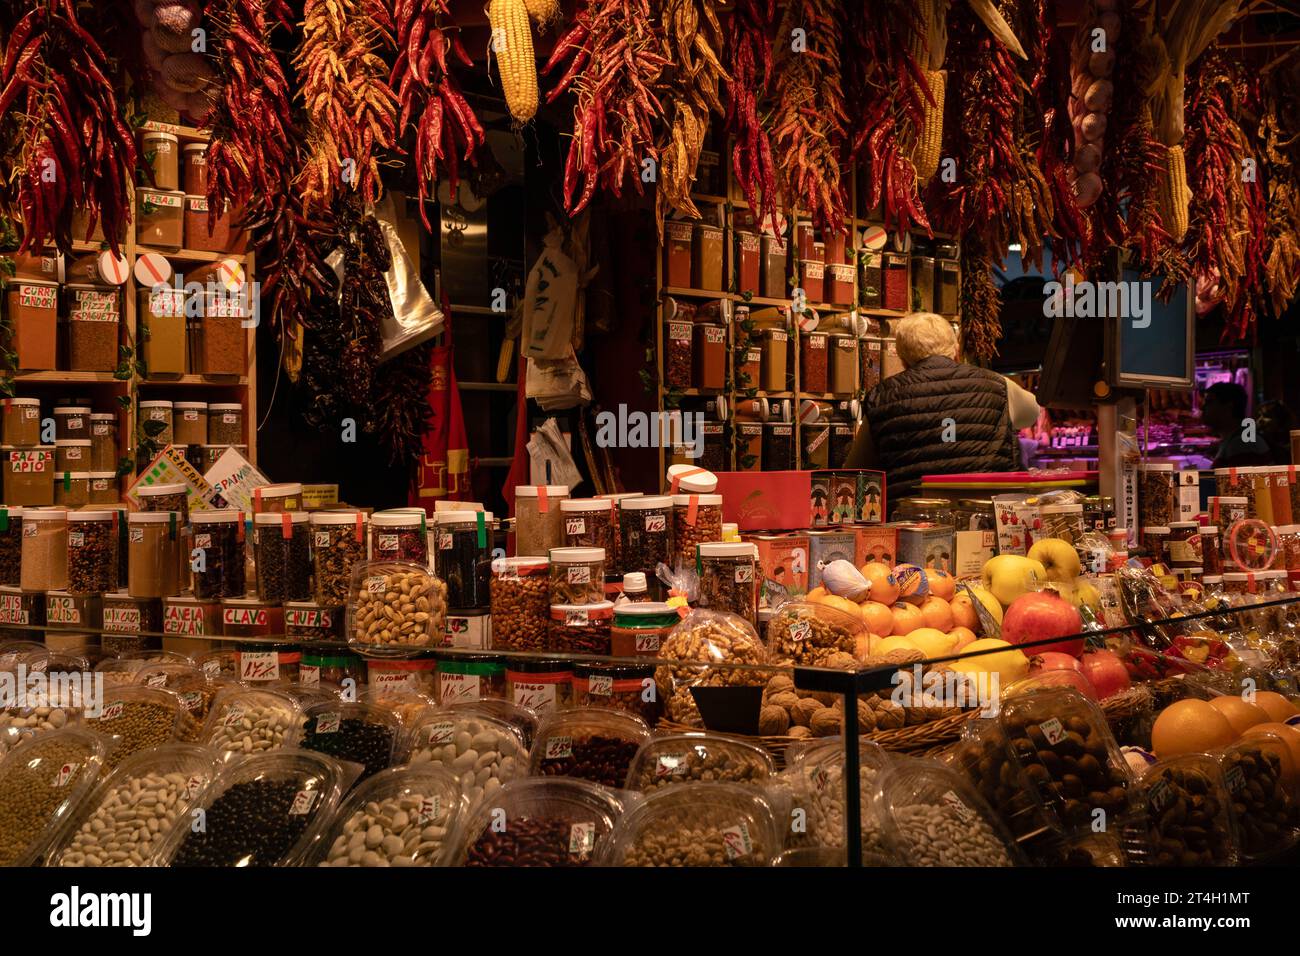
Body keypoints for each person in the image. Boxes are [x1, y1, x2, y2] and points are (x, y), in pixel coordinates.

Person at [845, 312, 1041, 504]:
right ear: (956, 349)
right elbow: (1033, 412)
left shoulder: (881, 397)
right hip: (990, 513)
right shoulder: (998, 385)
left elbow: (856, 468)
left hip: (912, 517)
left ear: (902, 358)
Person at [1200, 381, 1271, 467]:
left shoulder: (1242, 444)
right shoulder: (1239, 440)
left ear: (1228, 407)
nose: (1203, 407)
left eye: (1209, 402)